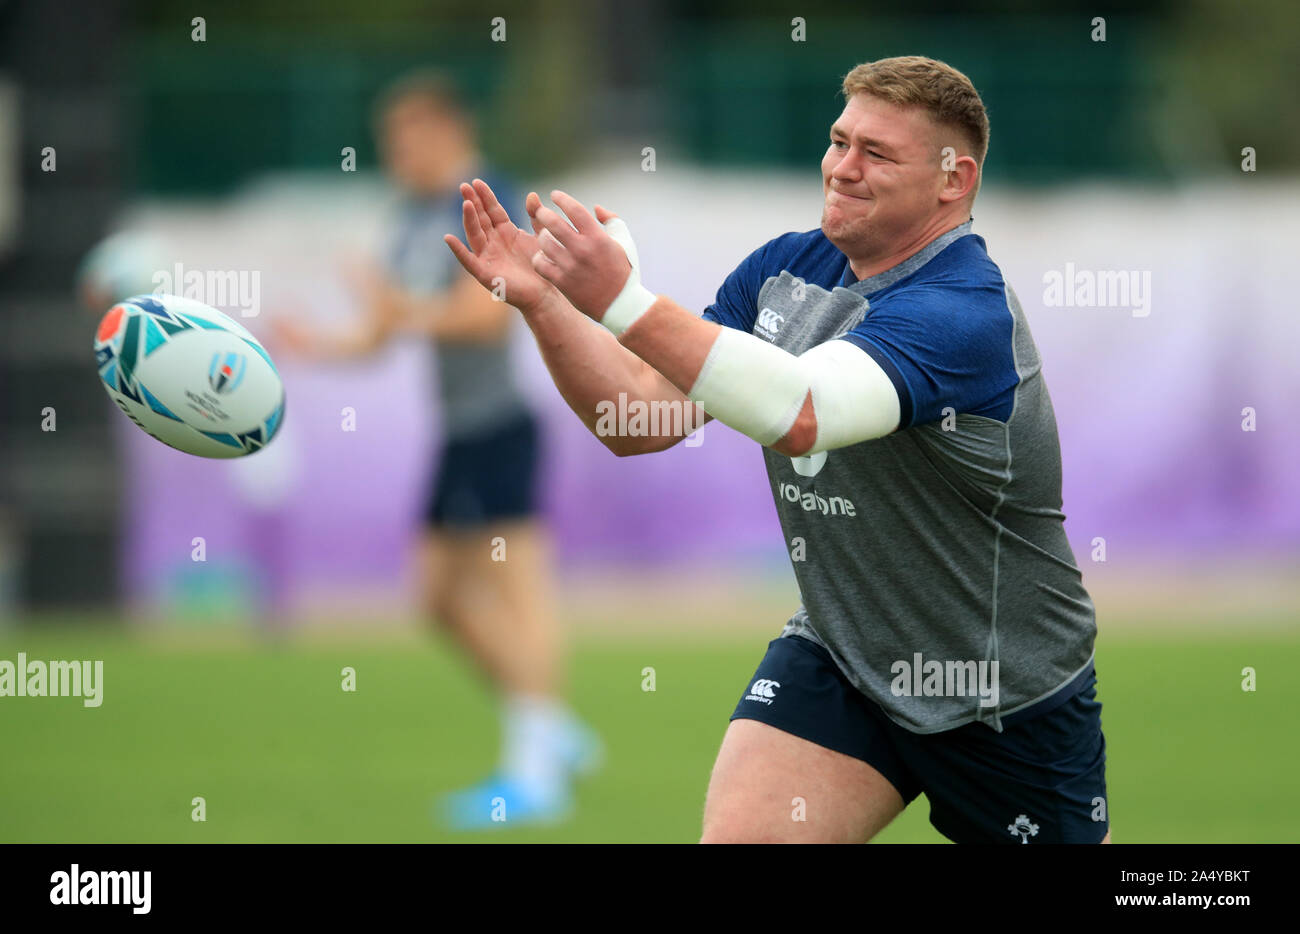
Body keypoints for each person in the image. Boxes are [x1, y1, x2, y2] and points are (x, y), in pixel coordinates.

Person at [445, 56, 1110, 843]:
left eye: (877, 153)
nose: (843, 168)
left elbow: (800, 413)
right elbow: (638, 419)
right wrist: (548, 302)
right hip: (840, 653)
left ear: (952, 180)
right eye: (839, 140)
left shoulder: (963, 313)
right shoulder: (785, 269)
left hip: (1004, 693)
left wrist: (621, 300)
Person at [275, 72, 600, 830]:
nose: (394, 153)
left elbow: (483, 321)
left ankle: (534, 767)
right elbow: (382, 336)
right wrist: (314, 345)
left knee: (519, 596)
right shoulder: (408, 218)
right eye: (388, 139)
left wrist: (396, 307)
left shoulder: (485, 199)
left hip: (501, 427)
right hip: (456, 436)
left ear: (448, 130)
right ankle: (548, 726)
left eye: (406, 137)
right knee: (434, 601)